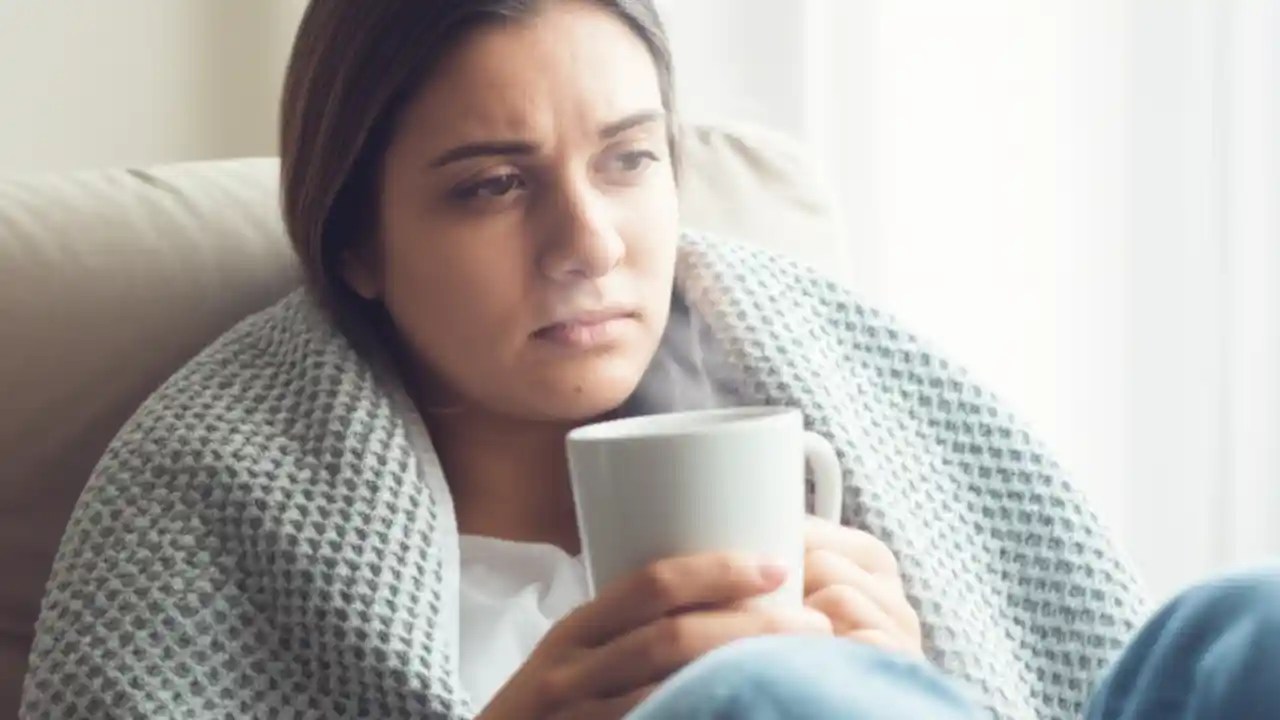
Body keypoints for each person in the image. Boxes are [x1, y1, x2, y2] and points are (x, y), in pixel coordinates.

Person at [20, 1, 1280, 718]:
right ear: (357, 240)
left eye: (628, 159)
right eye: (491, 186)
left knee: (1246, 626)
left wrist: (913, 680)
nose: (587, 243)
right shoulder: (210, 508)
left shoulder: (854, 400)